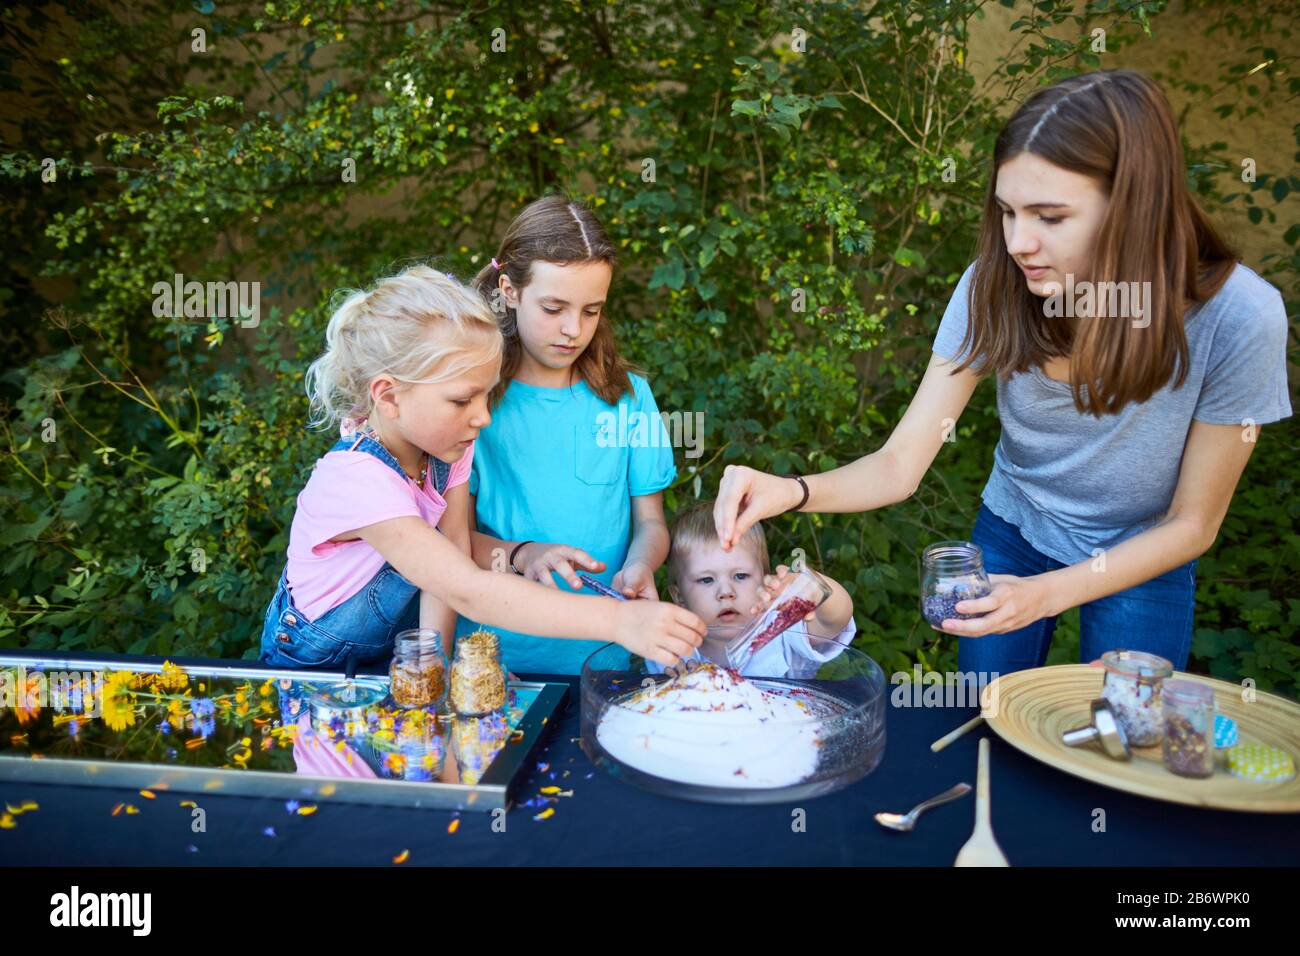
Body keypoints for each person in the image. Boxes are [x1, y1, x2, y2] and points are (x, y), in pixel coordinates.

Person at [713, 70, 1291, 676]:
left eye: (1050, 217)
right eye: (1008, 212)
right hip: (1015, 525)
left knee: (1123, 739)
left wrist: (1045, 595)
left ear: (1135, 205)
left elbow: (1193, 525)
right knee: (988, 718)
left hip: (1144, 549)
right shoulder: (993, 285)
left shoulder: (1241, 316)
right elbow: (898, 466)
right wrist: (792, 491)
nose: (1018, 242)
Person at [258, 265, 703, 672]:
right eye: (461, 399)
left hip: (387, 663)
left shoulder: (447, 452)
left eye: (485, 397)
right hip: (314, 672)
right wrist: (621, 621)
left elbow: (452, 561)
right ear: (389, 396)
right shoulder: (356, 480)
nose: (483, 417)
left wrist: (436, 666)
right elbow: (468, 588)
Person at [457, 196, 681, 674]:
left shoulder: (630, 398)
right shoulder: (474, 400)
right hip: (498, 661)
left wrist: (641, 566)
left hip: (604, 658)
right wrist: (525, 555)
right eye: (554, 308)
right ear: (509, 290)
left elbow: (651, 523)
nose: (573, 330)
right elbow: (451, 545)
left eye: (592, 310)